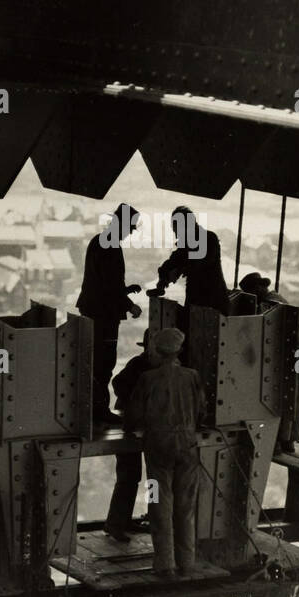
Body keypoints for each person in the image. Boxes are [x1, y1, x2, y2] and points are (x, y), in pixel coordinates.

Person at [123, 328, 208, 578]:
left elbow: (133, 415)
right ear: (179, 351)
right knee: (186, 507)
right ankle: (187, 563)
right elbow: (202, 411)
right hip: (187, 448)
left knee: (158, 504)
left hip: (157, 451)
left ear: (157, 351)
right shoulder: (192, 376)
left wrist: (129, 427)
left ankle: (165, 565)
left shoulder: (147, 379)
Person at [77, 203, 142, 424]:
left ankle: (94, 409)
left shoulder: (99, 240)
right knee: (104, 364)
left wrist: (125, 291)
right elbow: (110, 286)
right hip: (104, 315)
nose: (131, 231)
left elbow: (102, 282)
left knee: (96, 362)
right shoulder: (111, 245)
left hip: (94, 310)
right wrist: (130, 305)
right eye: (131, 227)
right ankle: (99, 411)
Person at [239, 272, 299, 454]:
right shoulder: (274, 300)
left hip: (295, 355)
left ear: (258, 288)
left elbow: (262, 320)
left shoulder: (272, 302)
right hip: (298, 354)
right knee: (292, 397)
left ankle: (282, 441)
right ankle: (287, 440)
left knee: (285, 396)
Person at [103, 330, 155, 542]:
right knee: (133, 477)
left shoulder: (141, 364)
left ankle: (120, 521)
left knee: (131, 477)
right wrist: (137, 401)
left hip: (134, 425)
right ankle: (117, 523)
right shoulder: (141, 365)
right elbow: (119, 384)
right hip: (133, 426)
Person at [148, 206, 229, 316]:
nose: (176, 235)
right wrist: (163, 280)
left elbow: (201, 262)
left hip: (214, 303)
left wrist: (179, 270)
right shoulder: (186, 244)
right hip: (195, 302)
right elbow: (171, 263)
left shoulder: (209, 238)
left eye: (177, 230)